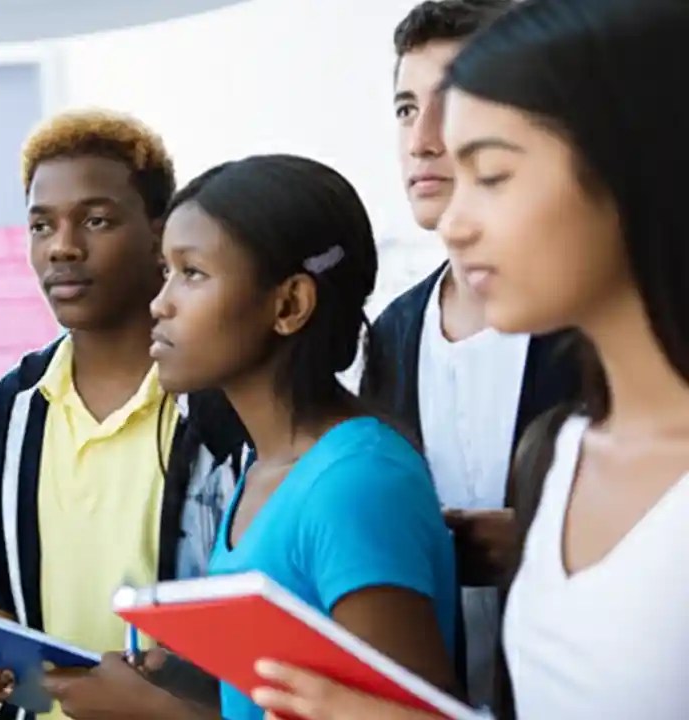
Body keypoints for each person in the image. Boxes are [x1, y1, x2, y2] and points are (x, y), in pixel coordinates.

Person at [251, 0, 689, 716]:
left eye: (493, 173)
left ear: (625, 167)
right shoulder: (563, 451)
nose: (454, 220)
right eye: (406, 110)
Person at [0, 110, 247, 720]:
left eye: (96, 220)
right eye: (41, 225)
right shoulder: (19, 403)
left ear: (161, 234)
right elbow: (2, 579)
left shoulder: (217, 402)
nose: (63, 246)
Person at [152, 154, 459, 720]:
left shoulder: (357, 482)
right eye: (166, 272)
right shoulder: (262, 471)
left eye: (192, 273)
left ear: (289, 304)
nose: (160, 303)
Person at [361, 0, 579, 707]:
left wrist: (539, 545)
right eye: (403, 108)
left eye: (451, 101)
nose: (422, 139)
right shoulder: (391, 333)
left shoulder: (600, 319)